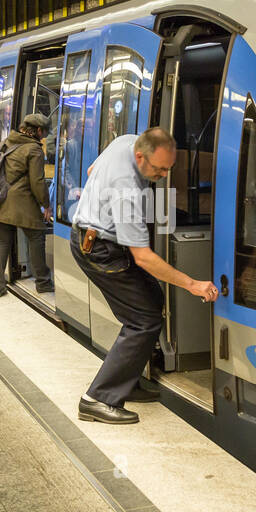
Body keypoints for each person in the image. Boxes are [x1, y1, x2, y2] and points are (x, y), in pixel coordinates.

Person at [71, 127, 219, 425]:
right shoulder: (127, 192)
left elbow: (91, 170)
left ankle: (128, 379)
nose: (164, 175)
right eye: (159, 169)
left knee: (152, 297)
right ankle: (97, 399)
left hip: (100, 238)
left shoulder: (124, 141)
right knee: (144, 319)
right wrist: (192, 284)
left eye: (168, 168)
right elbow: (143, 257)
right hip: (99, 249)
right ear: (140, 156)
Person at [0, 113, 53, 298]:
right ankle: (43, 283)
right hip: (22, 203)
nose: (44, 137)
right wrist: (46, 205)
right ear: (38, 131)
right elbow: (38, 182)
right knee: (37, 237)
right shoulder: (34, 150)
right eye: (44, 133)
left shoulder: (7, 142)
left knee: (1, 241)